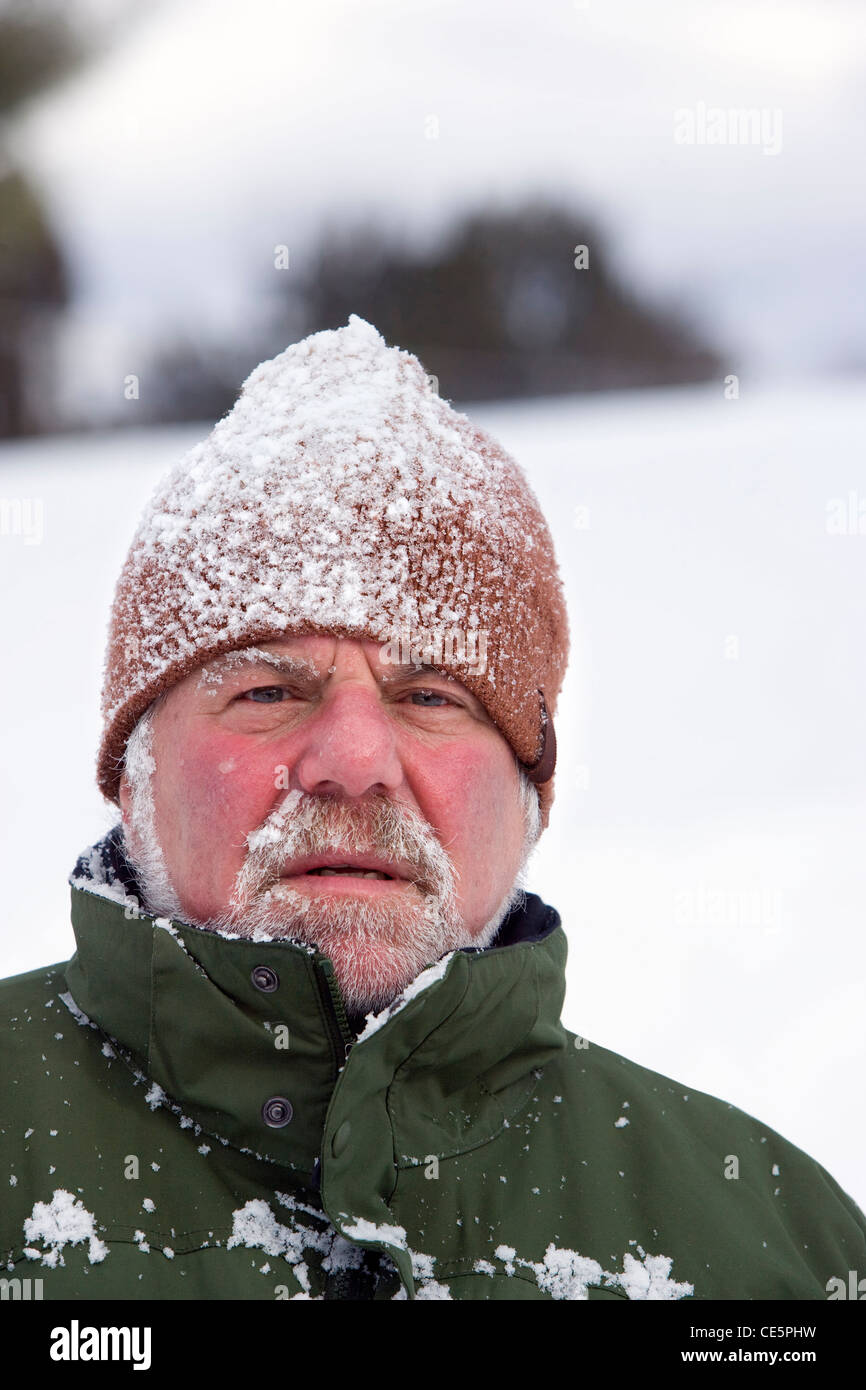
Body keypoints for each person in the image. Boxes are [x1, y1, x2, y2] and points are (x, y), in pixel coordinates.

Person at [2, 316, 863, 1301]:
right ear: (132, 770)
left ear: (529, 794)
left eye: (430, 698)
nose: (355, 762)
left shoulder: (781, 1251)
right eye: (267, 692)